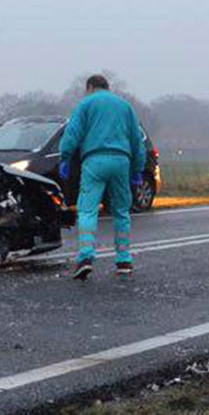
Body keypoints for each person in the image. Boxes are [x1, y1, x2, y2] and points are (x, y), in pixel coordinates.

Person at [57, 74, 146, 280]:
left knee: (88, 210)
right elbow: (136, 139)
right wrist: (137, 170)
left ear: (90, 87)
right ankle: (124, 260)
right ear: (107, 87)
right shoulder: (125, 107)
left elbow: (73, 133)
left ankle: (86, 258)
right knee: (121, 211)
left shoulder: (86, 104)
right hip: (121, 161)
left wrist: (65, 157)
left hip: (94, 161)